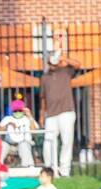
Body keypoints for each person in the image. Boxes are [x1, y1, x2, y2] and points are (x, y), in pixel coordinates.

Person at [40, 48, 81, 176]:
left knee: (66, 141)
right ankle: (50, 168)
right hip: (51, 113)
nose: (52, 65)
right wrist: (42, 115)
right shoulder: (44, 77)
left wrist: (63, 58)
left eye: (53, 61)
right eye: (50, 62)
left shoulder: (66, 71)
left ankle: (64, 170)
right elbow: (43, 98)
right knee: (49, 141)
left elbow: (77, 64)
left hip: (66, 111)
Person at [0, 99, 38, 169]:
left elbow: (34, 131)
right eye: (15, 111)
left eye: (20, 110)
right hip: (9, 144)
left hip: (24, 143)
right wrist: (8, 124)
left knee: (23, 145)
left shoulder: (27, 119)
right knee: (2, 145)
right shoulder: (7, 119)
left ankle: (28, 167)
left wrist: (30, 116)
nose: (17, 112)